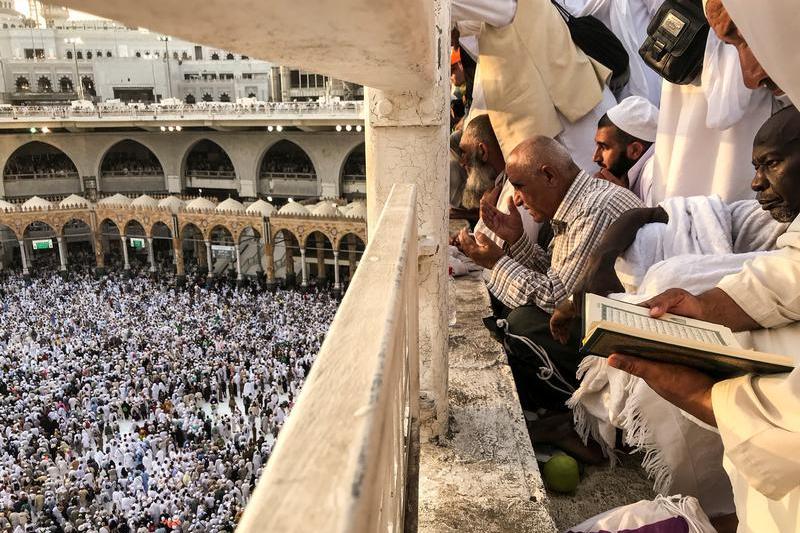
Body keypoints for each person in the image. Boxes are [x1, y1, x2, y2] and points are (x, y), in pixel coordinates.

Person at [458, 136, 642, 407]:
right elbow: (557, 276)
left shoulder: (593, 210)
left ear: (549, 176)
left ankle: (566, 409)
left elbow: (557, 301)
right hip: (598, 314)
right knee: (511, 308)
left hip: (624, 336)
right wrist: (516, 239)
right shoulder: (581, 202)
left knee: (521, 324)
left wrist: (496, 263)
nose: (517, 199)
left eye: (519, 186)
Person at [452, 0, 617, 172]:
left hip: (563, 100)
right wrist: (458, 26)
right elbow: (488, 18)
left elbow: (505, 9)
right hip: (544, 101)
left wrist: (445, 15)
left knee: (599, 172)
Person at [593, 95, 659, 205]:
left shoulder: (655, 177)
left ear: (635, 150)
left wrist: (623, 199)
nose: (595, 158)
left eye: (604, 147)